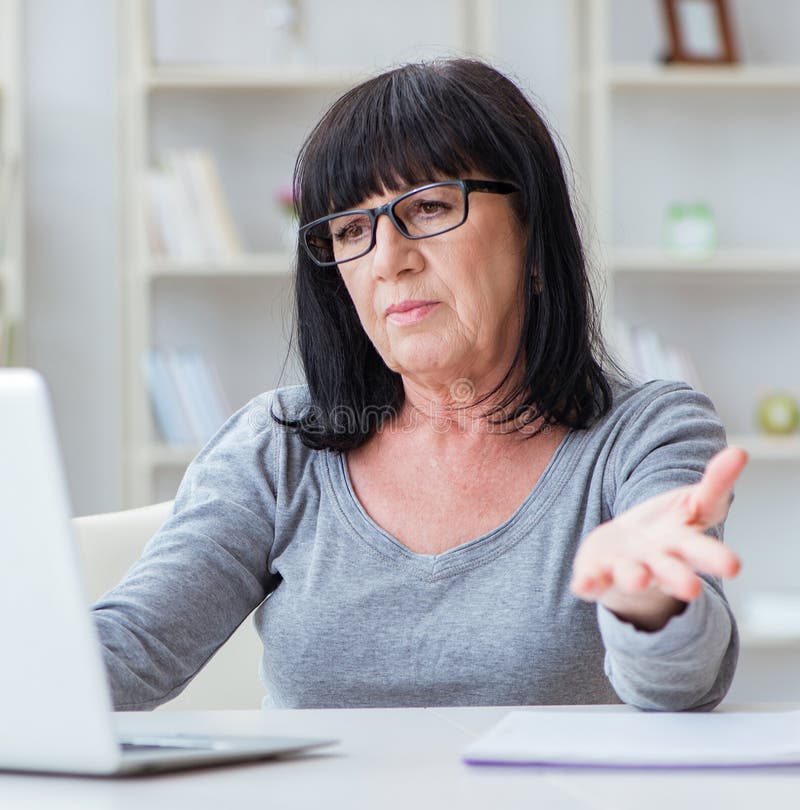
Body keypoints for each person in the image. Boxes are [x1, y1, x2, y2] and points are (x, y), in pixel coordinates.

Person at [94, 58, 746, 711]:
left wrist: (650, 603)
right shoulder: (275, 448)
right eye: (351, 229)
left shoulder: (646, 434)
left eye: (431, 207)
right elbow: (125, 655)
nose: (387, 261)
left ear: (534, 237)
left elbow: (681, 689)